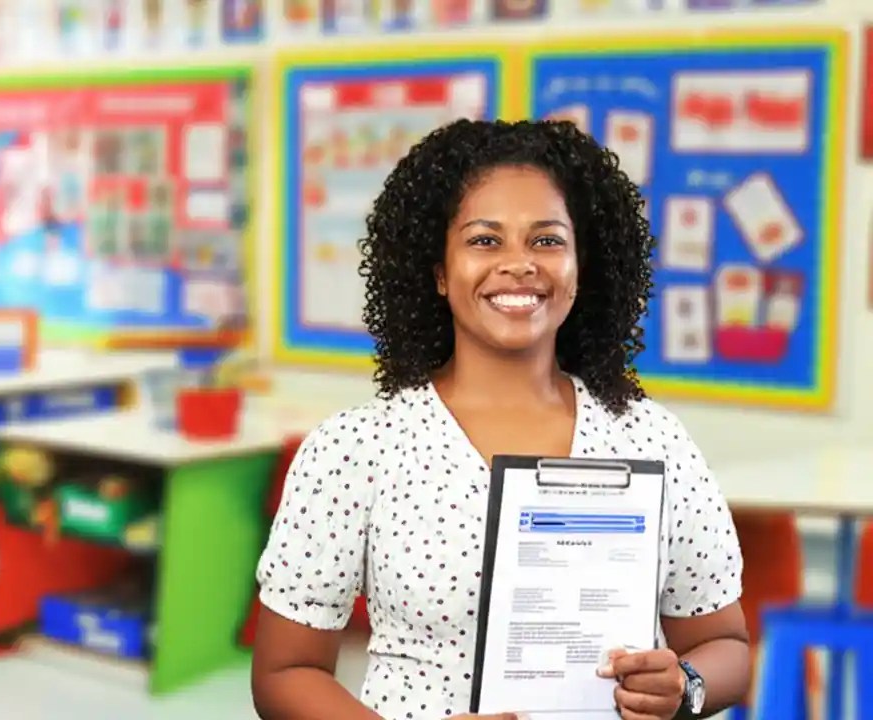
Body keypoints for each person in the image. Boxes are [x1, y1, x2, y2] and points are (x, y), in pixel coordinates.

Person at [250, 119, 749, 720]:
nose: (519, 264)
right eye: (485, 240)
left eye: (547, 240)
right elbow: (284, 672)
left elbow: (726, 646)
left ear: (580, 268)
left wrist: (685, 687)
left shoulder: (651, 439)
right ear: (437, 271)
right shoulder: (355, 448)